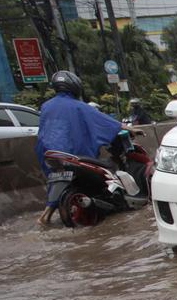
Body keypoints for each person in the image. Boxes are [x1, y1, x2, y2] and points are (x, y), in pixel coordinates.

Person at [35, 70, 125, 226]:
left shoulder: (46, 106)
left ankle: (47, 214)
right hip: (74, 154)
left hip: (48, 153)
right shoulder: (79, 107)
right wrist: (130, 129)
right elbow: (105, 122)